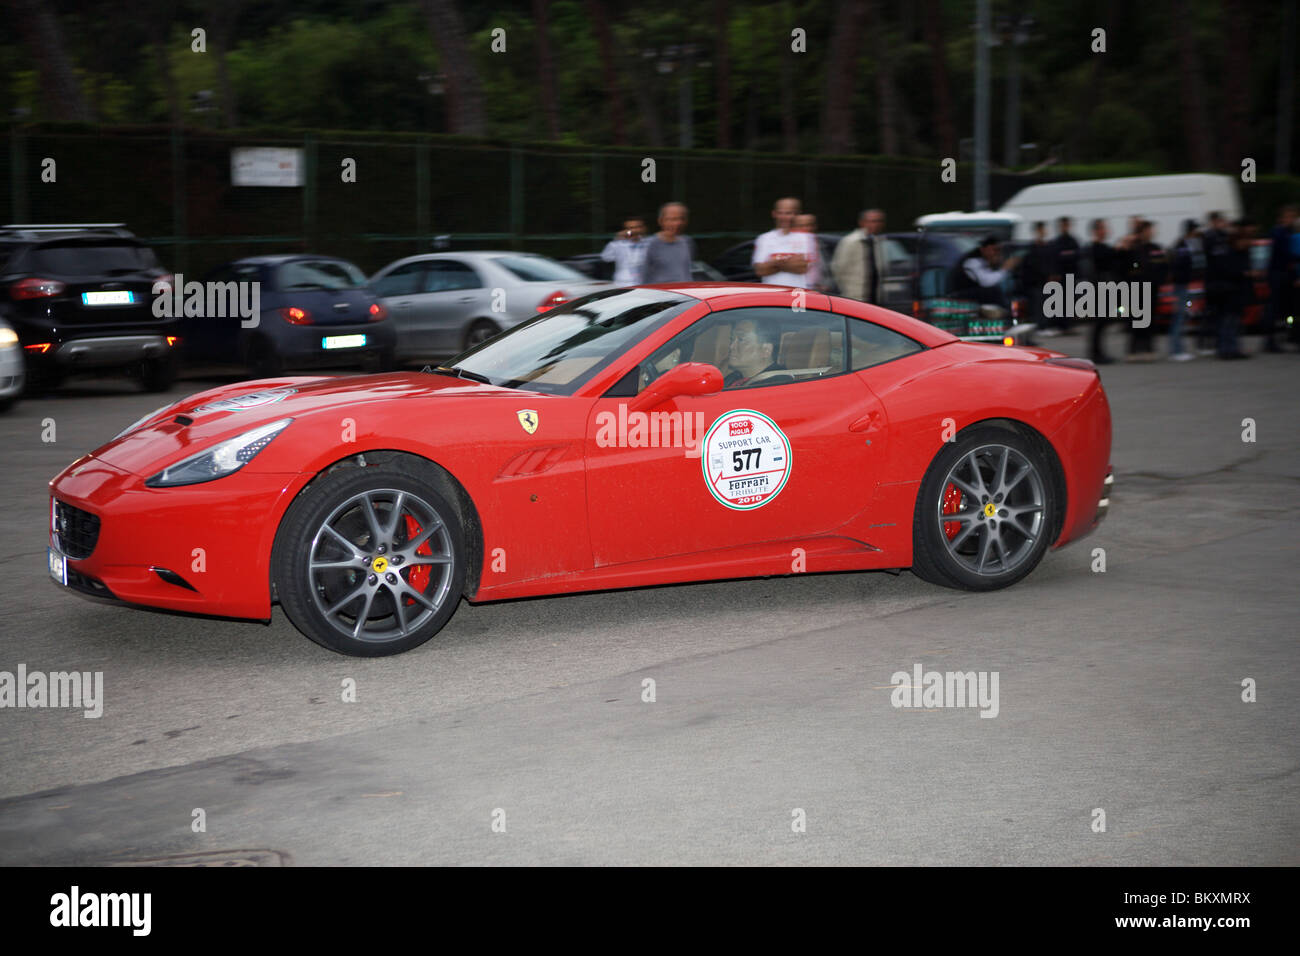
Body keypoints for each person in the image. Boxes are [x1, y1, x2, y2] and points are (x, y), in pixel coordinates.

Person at [1123, 220, 1167, 361]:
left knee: (1150, 321)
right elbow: (1125, 268)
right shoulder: (1133, 249)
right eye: (1148, 230)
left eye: (1151, 230)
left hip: (1152, 290)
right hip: (1136, 290)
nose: (1151, 233)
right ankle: (1133, 351)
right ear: (1141, 232)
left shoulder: (1155, 248)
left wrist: (1159, 281)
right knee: (1136, 322)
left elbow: (1163, 266)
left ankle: (1148, 349)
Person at [753, 197, 818, 288]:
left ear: (797, 214)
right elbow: (760, 270)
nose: (784, 217)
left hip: (799, 293)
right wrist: (790, 263)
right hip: (772, 292)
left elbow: (803, 267)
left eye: (788, 213)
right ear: (774, 214)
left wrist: (774, 262)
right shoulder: (764, 238)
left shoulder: (807, 238)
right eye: (780, 213)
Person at [830, 208, 889, 304]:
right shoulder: (851, 241)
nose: (876, 225)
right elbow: (839, 268)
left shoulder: (879, 241)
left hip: (875, 294)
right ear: (862, 223)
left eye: (879, 221)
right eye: (872, 221)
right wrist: (847, 290)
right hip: (855, 296)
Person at [949, 235, 1021, 310]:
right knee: (993, 291)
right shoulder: (972, 261)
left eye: (999, 250)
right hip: (960, 295)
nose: (996, 253)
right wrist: (1004, 269)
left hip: (971, 293)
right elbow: (986, 282)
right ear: (983, 249)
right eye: (994, 250)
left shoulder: (985, 261)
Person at [1083, 219, 1120, 363]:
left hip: (1103, 288)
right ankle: (1096, 353)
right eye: (1104, 228)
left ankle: (1098, 352)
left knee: (1101, 323)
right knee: (1099, 323)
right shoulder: (1095, 249)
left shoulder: (1102, 248)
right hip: (1098, 289)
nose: (1106, 230)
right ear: (1096, 231)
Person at [1263, 204, 1298, 352]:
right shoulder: (1278, 233)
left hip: (1288, 275)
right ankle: (1270, 340)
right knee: (1275, 307)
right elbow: (1286, 253)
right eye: (1288, 217)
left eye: (1293, 217)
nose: (1291, 219)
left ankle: (1292, 335)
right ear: (1282, 218)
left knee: (1291, 308)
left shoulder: (1289, 233)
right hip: (1278, 274)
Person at [1167, 219, 1202, 361]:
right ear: (1191, 231)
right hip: (1180, 285)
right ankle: (1176, 351)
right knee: (1179, 318)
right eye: (1195, 230)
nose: (1197, 233)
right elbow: (1179, 265)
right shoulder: (1182, 246)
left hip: (1183, 284)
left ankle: (1178, 349)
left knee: (1181, 317)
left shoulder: (1185, 245)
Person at [721, 319, 792, 388]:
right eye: (732, 339)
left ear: (766, 350)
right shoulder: (735, 377)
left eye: (741, 339)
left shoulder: (776, 386)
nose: (732, 346)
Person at [1198, 211, 1230, 354]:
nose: (1222, 224)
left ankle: (1220, 343)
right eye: (1219, 222)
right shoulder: (1209, 238)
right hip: (1212, 282)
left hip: (1222, 281)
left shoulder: (1225, 237)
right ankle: (1205, 343)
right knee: (1211, 314)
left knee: (1221, 315)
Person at [641, 202, 696, 283]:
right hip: (660, 289)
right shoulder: (649, 244)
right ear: (661, 221)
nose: (678, 223)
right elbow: (642, 275)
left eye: (681, 219)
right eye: (673, 219)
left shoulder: (687, 242)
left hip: (684, 288)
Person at [1045, 216, 1080, 334]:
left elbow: (1077, 256)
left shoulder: (1073, 241)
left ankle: (1068, 325)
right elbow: (1054, 259)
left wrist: (1066, 255)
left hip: (1071, 276)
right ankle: (1060, 326)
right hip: (1059, 277)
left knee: (1070, 302)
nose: (1065, 227)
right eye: (1063, 225)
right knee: (1060, 302)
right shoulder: (1056, 242)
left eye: (1066, 225)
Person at [1020, 221, 1054, 333]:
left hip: (1045, 281)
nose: (1044, 232)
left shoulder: (1047, 246)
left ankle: (1045, 325)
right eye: (1041, 230)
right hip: (1036, 282)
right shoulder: (1033, 248)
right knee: (1038, 304)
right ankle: (1040, 326)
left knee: (1047, 303)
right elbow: (1033, 265)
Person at [600, 216, 647, 285]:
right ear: (625, 230)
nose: (634, 230)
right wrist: (617, 239)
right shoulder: (617, 244)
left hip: (644, 282)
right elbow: (606, 258)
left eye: (637, 227)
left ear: (643, 229)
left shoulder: (650, 243)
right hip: (622, 283)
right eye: (630, 228)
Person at [794, 213, 828, 291]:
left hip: (821, 291)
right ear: (794, 227)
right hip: (797, 291)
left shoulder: (823, 243)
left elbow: (830, 269)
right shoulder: (787, 247)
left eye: (809, 225)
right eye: (801, 226)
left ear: (815, 226)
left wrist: (828, 285)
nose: (806, 228)